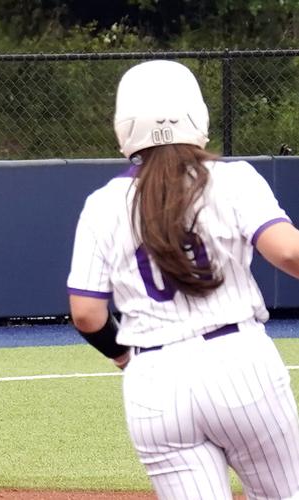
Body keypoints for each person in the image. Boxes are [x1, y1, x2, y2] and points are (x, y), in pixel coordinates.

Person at [67, 59, 299, 499]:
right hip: (239, 363)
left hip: (154, 379)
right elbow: (288, 251)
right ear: (197, 117)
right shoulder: (232, 180)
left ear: (124, 127)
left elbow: (87, 313)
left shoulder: (102, 204)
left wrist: (122, 357)